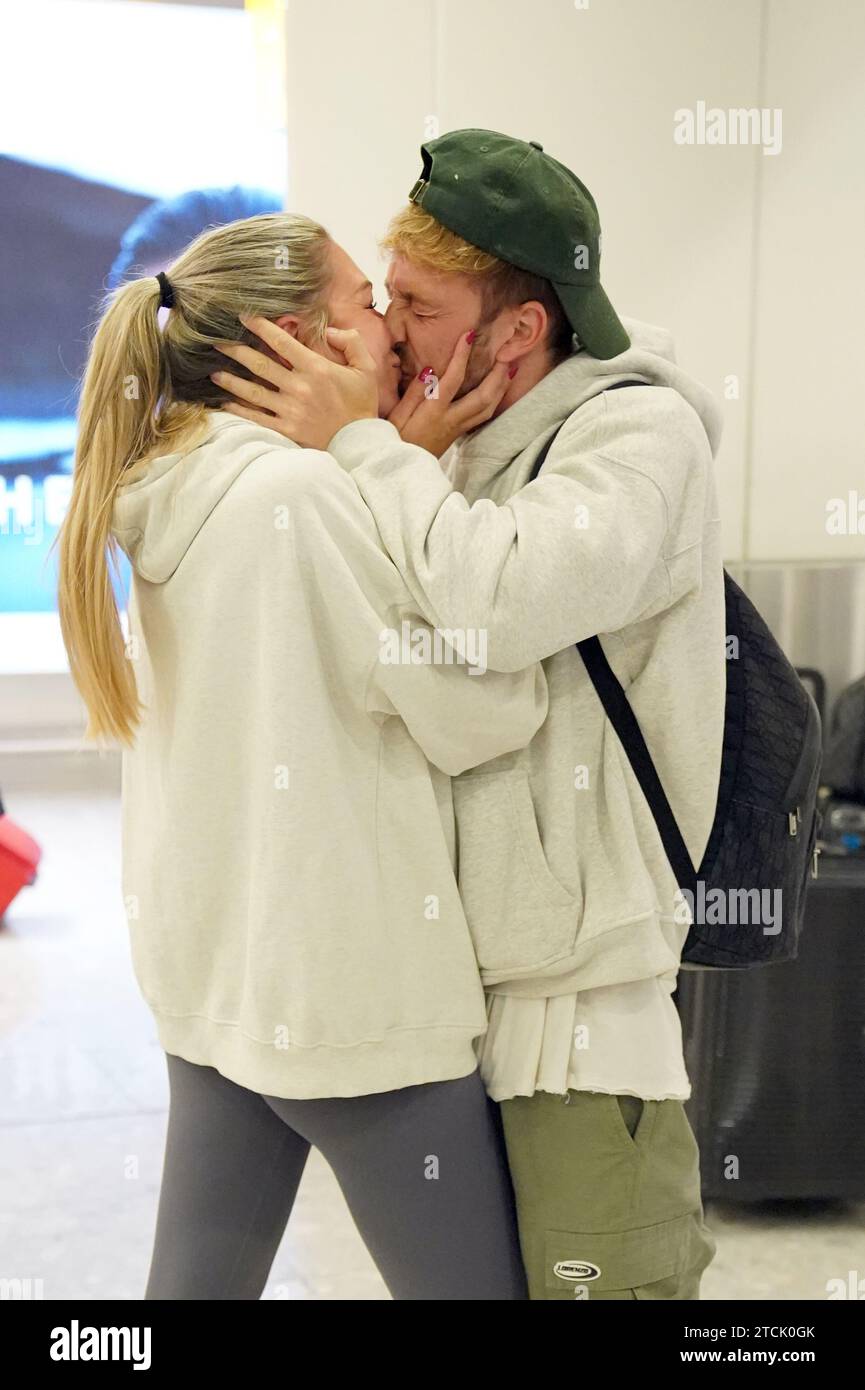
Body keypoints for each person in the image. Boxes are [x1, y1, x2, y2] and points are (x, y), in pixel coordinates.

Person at [212, 130, 724, 1300]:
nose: (388, 331)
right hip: (463, 1016)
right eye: (385, 297)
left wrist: (363, 447)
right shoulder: (461, 444)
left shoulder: (639, 438)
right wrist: (400, 452)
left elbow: (493, 603)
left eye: (418, 305)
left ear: (519, 328)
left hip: (583, 1031)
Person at [55, 210, 551, 1300]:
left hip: (219, 984)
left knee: (192, 1290)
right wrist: (399, 478)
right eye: (366, 307)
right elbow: (486, 709)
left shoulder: (174, 484)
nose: (390, 326)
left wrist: (379, 466)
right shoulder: (303, 496)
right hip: (349, 1007)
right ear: (299, 344)